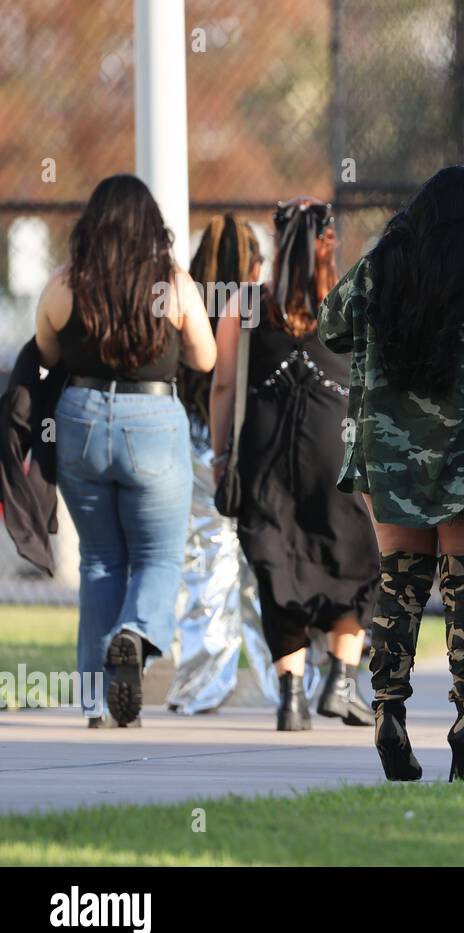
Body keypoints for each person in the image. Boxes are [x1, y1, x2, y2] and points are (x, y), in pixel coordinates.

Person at [318, 166, 464, 781]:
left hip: (387, 461)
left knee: (399, 585)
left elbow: (330, 327)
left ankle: (388, 712)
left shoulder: (377, 271)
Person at [33, 173, 217, 728]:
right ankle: (135, 632)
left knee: (98, 561)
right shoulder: (173, 284)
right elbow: (205, 359)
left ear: (94, 224)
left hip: (81, 420)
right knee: (158, 558)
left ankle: (94, 702)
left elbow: (45, 349)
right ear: (149, 227)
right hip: (154, 422)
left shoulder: (66, 284)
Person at [210, 198, 378, 732]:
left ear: (279, 245)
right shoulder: (355, 302)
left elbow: (221, 384)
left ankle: (291, 700)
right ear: (330, 241)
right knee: (354, 560)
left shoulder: (247, 302)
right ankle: (342, 681)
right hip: (336, 445)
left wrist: (221, 455)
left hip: (266, 452)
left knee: (276, 561)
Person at [168, 215, 279, 713]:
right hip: (253, 450)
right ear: (254, 264)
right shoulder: (258, 309)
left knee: (204, 563)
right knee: (266, 565)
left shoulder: (190, 297)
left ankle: (200, 682)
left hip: (193, 446)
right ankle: (288, 678)